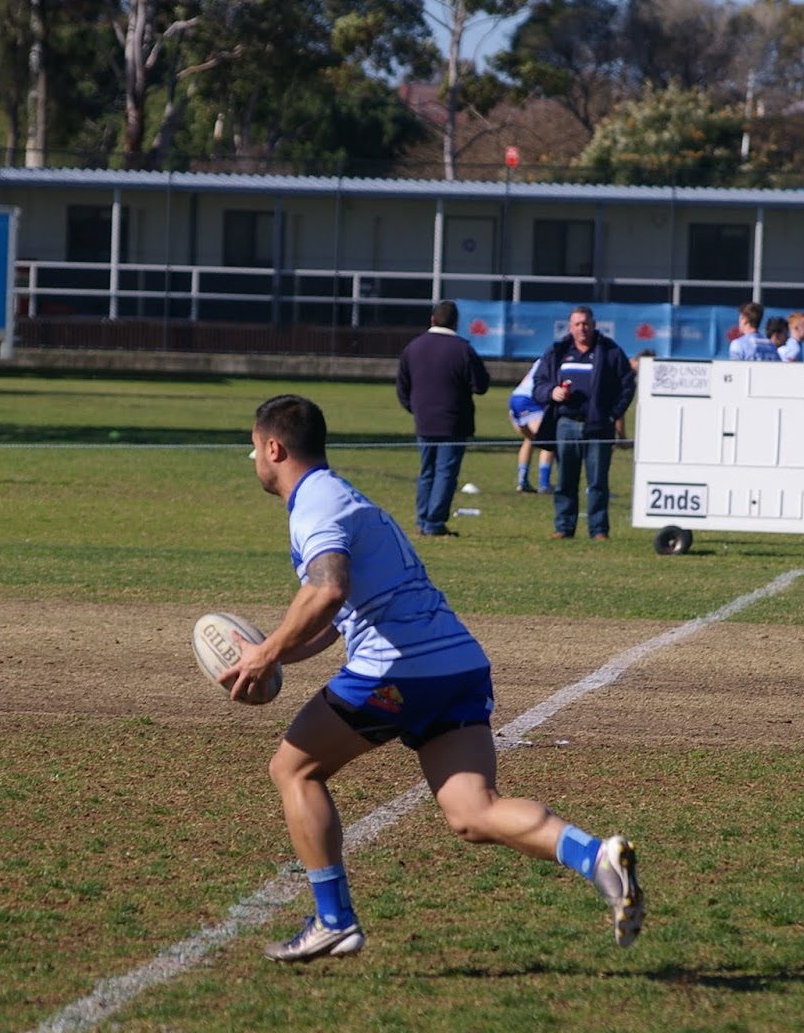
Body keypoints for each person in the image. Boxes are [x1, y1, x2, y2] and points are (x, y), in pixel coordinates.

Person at [222, 394, 643, 964]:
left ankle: (333, 919)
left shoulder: (314, 503)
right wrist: (271, 657)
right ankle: (596, 857)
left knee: (292, 769)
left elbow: (327, 590)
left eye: (254, 450)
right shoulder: (342, 495)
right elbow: (340, 617)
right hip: (456, 664)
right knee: (473, 812)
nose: (254, 462)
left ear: (273, 447)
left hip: (398, 672)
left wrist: (267, 650)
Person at [532, 306, 635, 540]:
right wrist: (552, 392)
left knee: (598, 481)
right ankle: (563, 527)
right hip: (566, 424)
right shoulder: (558, 351)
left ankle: (598, 530)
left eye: (586, 323)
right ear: (570, 327)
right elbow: (539, 382)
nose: (582, 328)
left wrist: (613, 414)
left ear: (594, 324)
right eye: (577, 324)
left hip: (598, 426)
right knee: (565, 481)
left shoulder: (610, 351)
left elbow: (627, 385)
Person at [394, 300, 490, 536]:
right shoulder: (463, 349)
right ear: (456, 323)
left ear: (432, 319)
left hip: (424, 421)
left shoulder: (413, 347)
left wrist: (415, 408)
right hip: (454, 421)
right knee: (445, 473)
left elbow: (402, 386)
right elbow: (480, 385)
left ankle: (422, 519)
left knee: (427, 471)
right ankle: (434, 522)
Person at [507, 356, 554, 493]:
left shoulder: (543, 359)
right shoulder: (557, 360)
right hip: (529, 401)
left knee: (530, 440)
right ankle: (544, 484)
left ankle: (523, 481)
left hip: (516, 398)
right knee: (549, 439)